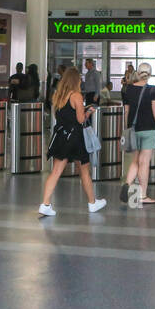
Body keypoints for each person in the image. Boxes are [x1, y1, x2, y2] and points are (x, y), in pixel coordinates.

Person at [38, 67, 106, 217]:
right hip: (76, 139)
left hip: (61, 136)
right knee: (84, 172)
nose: (81, 80)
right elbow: (80, 119)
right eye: (80, 78)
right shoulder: (76, 96)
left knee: (55, 172)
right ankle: (92, 203)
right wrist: (89, 111)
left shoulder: (58, 96)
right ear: (75, 80)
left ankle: (45, 204)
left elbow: (62, 115)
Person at [120, 63, 155, 206]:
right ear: (150, 74)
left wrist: (127, 128)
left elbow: (126, 112)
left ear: (138, 73)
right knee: (144, 163)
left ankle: (127, 183)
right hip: (149, 129)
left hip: (134, 129)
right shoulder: (152, 90)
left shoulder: (128, 89)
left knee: (135, 161)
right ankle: (142, 195)